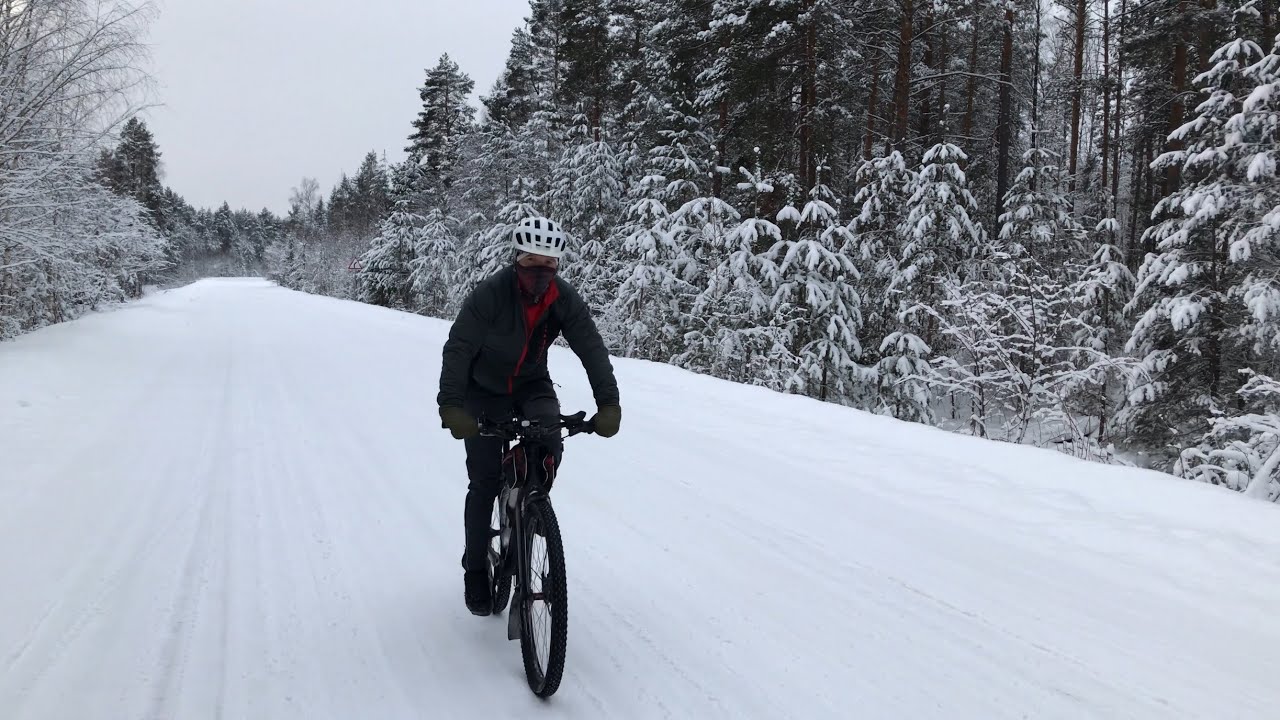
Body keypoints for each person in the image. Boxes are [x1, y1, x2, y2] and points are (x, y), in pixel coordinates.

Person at [437, 216, 621, 616]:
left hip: (531, 385)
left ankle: (531, 507)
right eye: (532, 262)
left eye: (549, 264)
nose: (541, 272)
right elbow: (459, 348)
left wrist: (610, 404)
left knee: (550, 442)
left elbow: (591, 348)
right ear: (516, 259)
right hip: (483, 389)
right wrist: (451, 406)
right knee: (484, 483)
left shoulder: (562, 299)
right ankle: (475, 569)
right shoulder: (491, 295)